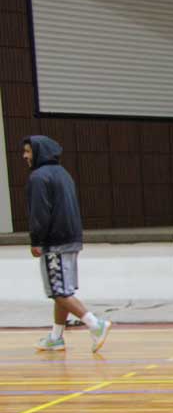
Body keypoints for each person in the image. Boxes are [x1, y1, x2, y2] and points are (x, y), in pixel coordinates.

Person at [22, 136, 111, 353]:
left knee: (58, 292)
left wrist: (37, 241)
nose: (25, 156)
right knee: (61, 290)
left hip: (55, 242)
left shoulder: (39, 177)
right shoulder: (63, 174)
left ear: (39, 152)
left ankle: (94, 324)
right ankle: (56, 337)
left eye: (28, 151)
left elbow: (40, 213)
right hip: (71, 239)